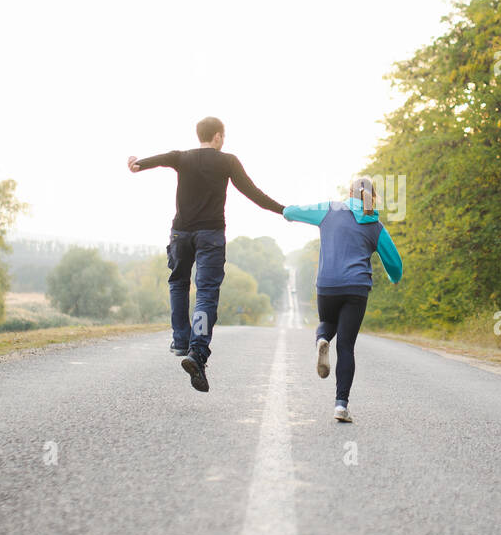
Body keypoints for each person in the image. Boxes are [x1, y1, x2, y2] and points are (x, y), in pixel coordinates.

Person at [128, 117, 285, 392]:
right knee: (206, 292)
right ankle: (197, 351)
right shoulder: (227, 161)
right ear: (218, 136)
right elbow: (252, 193)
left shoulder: (182, 158)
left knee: (177, 283)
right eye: (223, 136)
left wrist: (137, 164)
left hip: (180, 233)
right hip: (210, 236)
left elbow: (158, 160)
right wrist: (283, 210)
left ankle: (180, 340)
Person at [283, 177, 403, 422]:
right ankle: (341, 406)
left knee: (327, 321)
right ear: (373, 197)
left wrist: (286, 212)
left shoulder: (330, 210)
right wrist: (393, 277)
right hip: (356, 288)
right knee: (346, 346)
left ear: (350, 193)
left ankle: (322, 339)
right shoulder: (375, 225)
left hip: (327, 284)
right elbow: (394, 263)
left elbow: (294, 212)